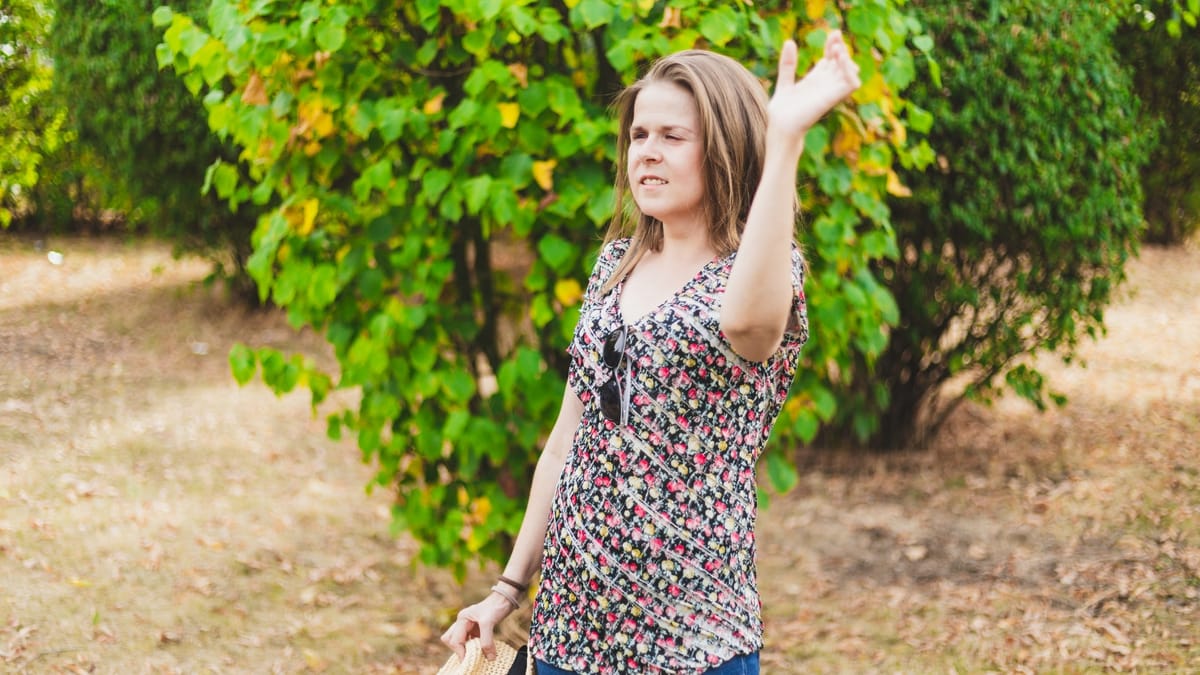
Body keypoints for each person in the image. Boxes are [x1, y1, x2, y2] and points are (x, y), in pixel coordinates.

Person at [442, 29, 861, 674]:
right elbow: (565, 442)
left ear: (723, 148)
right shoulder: (617, 264)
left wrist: (784, 145)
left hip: (690, 643)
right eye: (639, 135)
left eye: (673, 137)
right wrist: (507, 589)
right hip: (568, 633)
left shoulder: (758, 274)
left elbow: (752, 326)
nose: (648, 153)